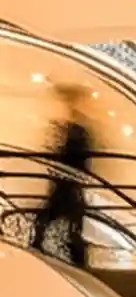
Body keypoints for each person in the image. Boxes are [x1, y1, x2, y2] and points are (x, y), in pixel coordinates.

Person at [30, 84, 94, 267]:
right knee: (63, 224)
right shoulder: (72, 130)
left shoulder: (77, 132)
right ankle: (75, 261)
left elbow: (77, 161)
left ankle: (73, 261)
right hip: (65, 187)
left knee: (59, 223)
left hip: (67, 188)